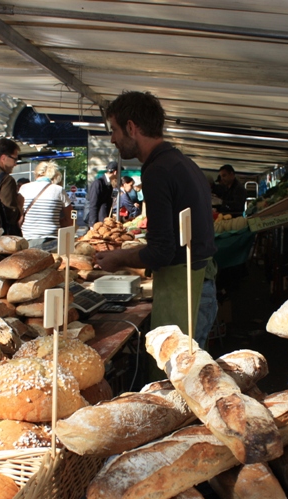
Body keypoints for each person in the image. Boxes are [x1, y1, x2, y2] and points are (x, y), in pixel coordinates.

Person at [94, 91, 216, 369]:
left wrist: (120, 258)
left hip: (183, 287)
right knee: (193, 383)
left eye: (114, 130)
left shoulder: (158, 171)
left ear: (131, 127)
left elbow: (162, 251)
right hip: (199, 283)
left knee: (173, 384)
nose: (112, 139)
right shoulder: (181, 162)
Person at [19, 161, 72, 246]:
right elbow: (70, 218)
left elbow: (19, 215)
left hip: (27, 239)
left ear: (36, 173)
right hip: (51, 240)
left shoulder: (23, 188)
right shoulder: (58, 190)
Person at [0, 138, 24, 236]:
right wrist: (19, 205)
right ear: (3, 158)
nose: (15, 164)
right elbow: (10, 215)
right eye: (15, 159)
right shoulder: (7, 180)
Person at [86, 160, 120, 228]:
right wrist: (92, 225)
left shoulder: (109, 184)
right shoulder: (98, 183)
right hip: (97, 222)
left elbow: (110, 199)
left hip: (105, 221)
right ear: (115, 172)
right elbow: (93, 204)